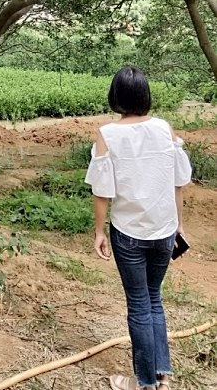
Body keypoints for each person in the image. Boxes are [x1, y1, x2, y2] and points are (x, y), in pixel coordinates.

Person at [85, 66, 192, 390]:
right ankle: (161, 374)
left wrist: (99, 231)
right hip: (163, 230)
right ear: (145, 96)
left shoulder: (107, 134)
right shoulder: (164, 129)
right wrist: (179, 226)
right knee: (154, 299)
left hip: (128, 233)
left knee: (139, 304)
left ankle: (144, 382)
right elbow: (178, 183)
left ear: (115, 97)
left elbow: (103, 189)